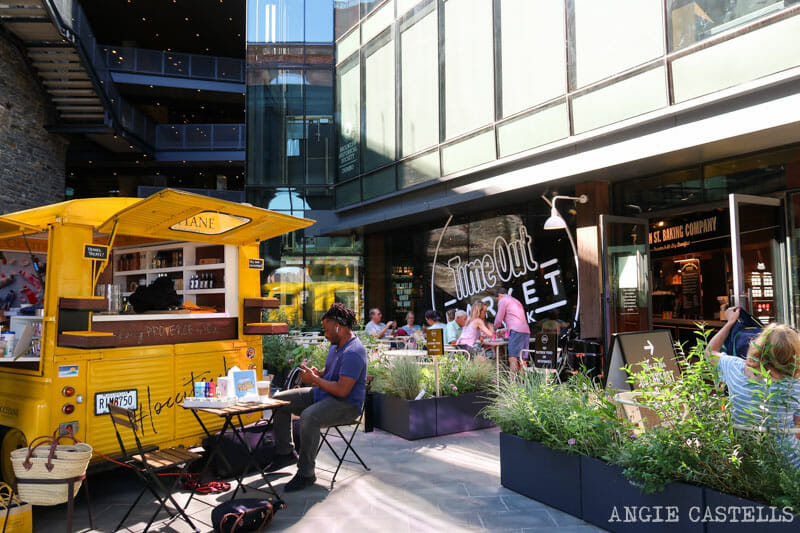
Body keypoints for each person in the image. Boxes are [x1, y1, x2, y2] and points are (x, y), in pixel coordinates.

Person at [268, 303, 368, 491]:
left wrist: (314, 379)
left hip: (346, 405)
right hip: (325, 395)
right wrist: (320, 374)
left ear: (339, 326)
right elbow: (332, 373)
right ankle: (285, 453)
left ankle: (306, 473)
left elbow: (342, 390)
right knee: (278, 401)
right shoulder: (336, 346)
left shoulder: (354, 352)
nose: (325, 334)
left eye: (327, 329)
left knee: (309, 416)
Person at [707, 307, 800, 469]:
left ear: (758, 345)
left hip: (746, 463)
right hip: (789, 466)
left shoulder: (735, 369)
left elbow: (710, 352)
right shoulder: (795, 385)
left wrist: (729, 323)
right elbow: (797, 430)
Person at [493, 287, 531, 374]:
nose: (498, 301)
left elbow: (498, 320)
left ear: (499, 295)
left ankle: (512, 384)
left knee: (513, 358)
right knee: (522, 359)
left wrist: (493, 330)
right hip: (526, 331)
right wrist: (504, 330)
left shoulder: (503, 300)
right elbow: (517, 320)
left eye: (497, 299)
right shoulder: (515, 301)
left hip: (516, 331)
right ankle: (523, 383)